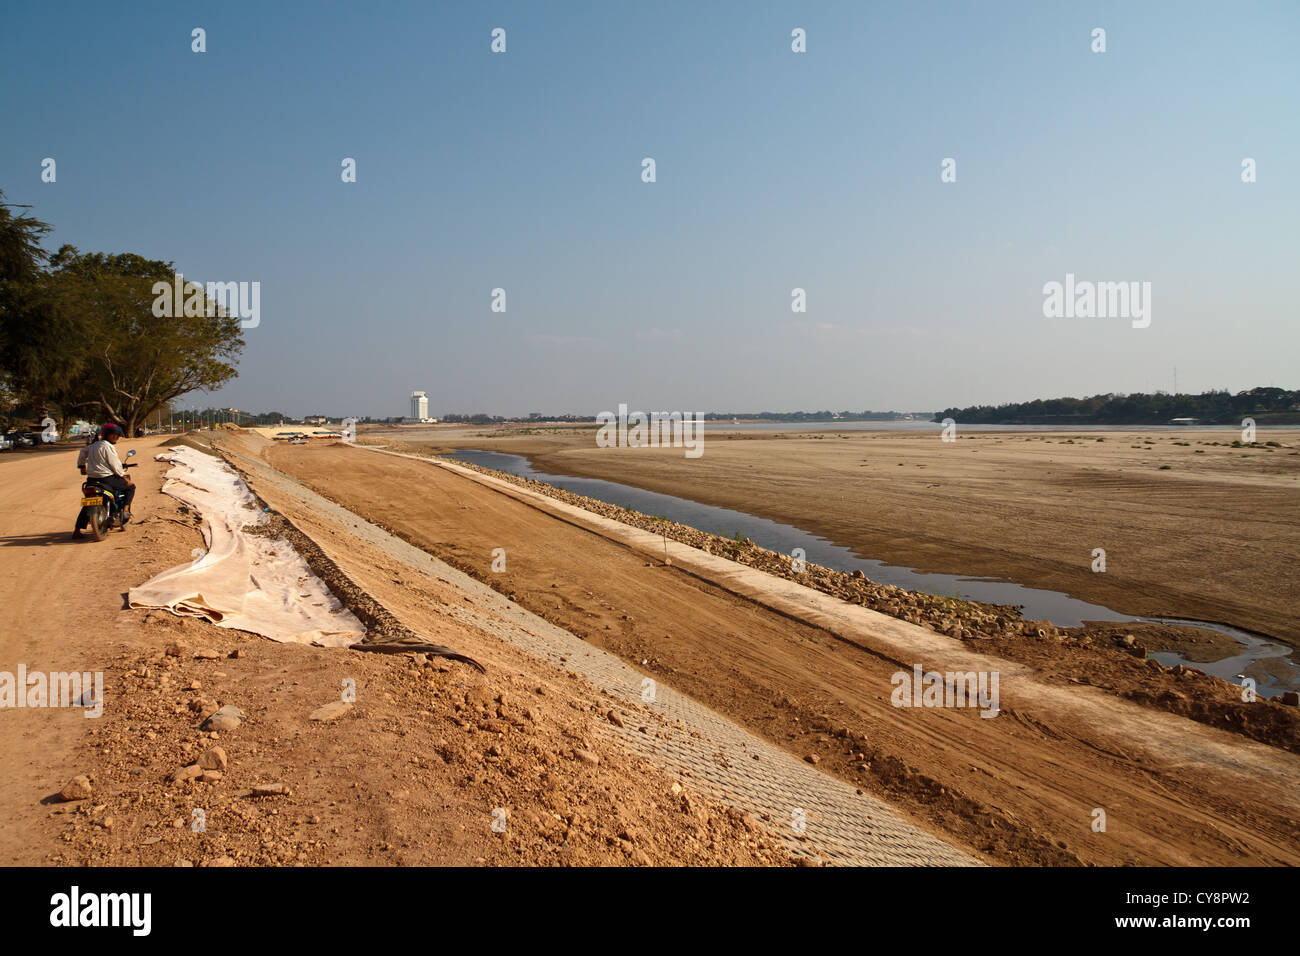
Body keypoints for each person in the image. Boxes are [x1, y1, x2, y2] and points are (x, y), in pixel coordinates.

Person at [76, 424, 135, 535]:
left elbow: (82, 452)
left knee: (88, 503)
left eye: (117, 435)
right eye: (113, 434)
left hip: (92, 480)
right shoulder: (108, 447)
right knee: (131, 487)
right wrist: (124, 477)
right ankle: (126, 511)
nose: (116, 437)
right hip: (107, 479)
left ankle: (77, 530)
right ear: (106, 435)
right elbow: (115, 465)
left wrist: (82, 466)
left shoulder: (93, 445)